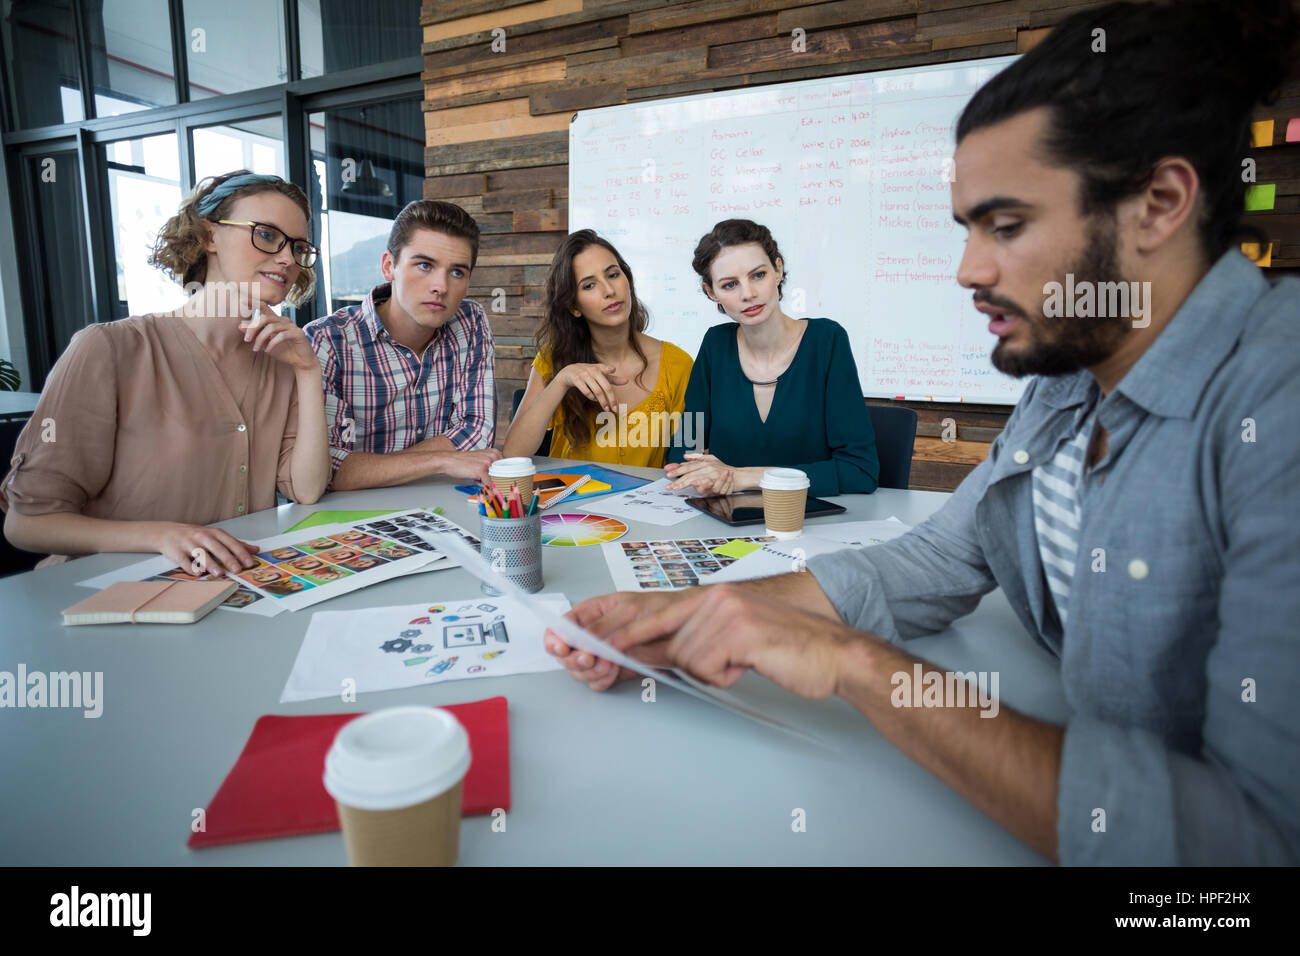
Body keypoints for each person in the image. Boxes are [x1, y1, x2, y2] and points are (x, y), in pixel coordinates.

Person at [546, 0, 1300, 865]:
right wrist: (694, 611)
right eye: (967, 229)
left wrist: (858, 665)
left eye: (1006, 226)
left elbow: (1255, 850)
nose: (969, 271)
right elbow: (933, 560)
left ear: (1159, 203)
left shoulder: (1276, 404)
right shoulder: (1068, 382)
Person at [1, 171, 331, 572]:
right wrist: (162, 536)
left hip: (230, 592)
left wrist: (309, 371)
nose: (286, 258)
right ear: (209, 236)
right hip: (106, 594)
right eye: (265, 234)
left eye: (298, 247)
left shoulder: (282, 361)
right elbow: (27, 523)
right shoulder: (109, 349)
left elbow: (307, 490)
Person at [663, 219, 878, 497]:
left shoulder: (827, 341)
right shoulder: (715, 346)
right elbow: (684, 450)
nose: (748, 294)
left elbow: (860, 471)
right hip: (727, 520)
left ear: (778, 270)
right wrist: (701, 476)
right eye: (729, 285)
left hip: (808, 522)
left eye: (758, 275)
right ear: (711, 292)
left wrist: (743, 477)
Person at [304, 200, 501, 491]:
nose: (441, 286)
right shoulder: (327, 341)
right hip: (349, 519)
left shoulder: (470, 322)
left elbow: (477, 432)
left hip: (441, 503)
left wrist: (368, 468)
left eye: (457, 272)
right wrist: (439, 461)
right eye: (424, 265)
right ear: (389, 266)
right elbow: (326, 471)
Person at [503, 229, 692, 468]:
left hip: (644, 503)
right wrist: (561, 381)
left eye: (613, 275)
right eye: (589, 285)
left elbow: (689, 454)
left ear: (628, 281)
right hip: (571, 501)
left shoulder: (678, 364)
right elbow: (512, 455)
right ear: (573, 306)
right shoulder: (552, 359)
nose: (609, 291)